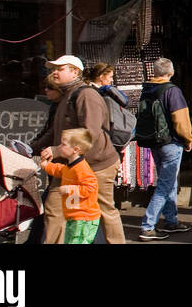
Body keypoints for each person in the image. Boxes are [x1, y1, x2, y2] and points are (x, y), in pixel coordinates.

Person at [32, 55, 125, 244]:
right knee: (55, 207)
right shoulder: (66, 96)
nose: (54, 72)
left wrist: (57, 151)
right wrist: (32, 147)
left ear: (75, 72)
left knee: (105, 210)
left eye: (60, 68)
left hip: (97, 165)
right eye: (52, 69)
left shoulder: (86, 95)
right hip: (70, 165)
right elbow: (55, 130)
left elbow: (89, 133)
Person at [136, 58, 192, 241]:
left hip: (154, 141)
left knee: (168, 182)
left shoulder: (147, 90)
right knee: (165, 185)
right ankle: (148, 225)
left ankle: (171, 220)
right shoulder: (172, 91)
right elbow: (181, 120)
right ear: (171, 72)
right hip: (171, 142)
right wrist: (188, 139)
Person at [39, 128, 101, 244]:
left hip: (84, 218)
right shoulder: (70, 166)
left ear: (75, 150)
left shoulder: (82, 169)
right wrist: (46, 166)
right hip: (73, 216)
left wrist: (70, 189)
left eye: (63, 144)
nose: (60, 147)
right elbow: (60, 170)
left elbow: (91, 188)